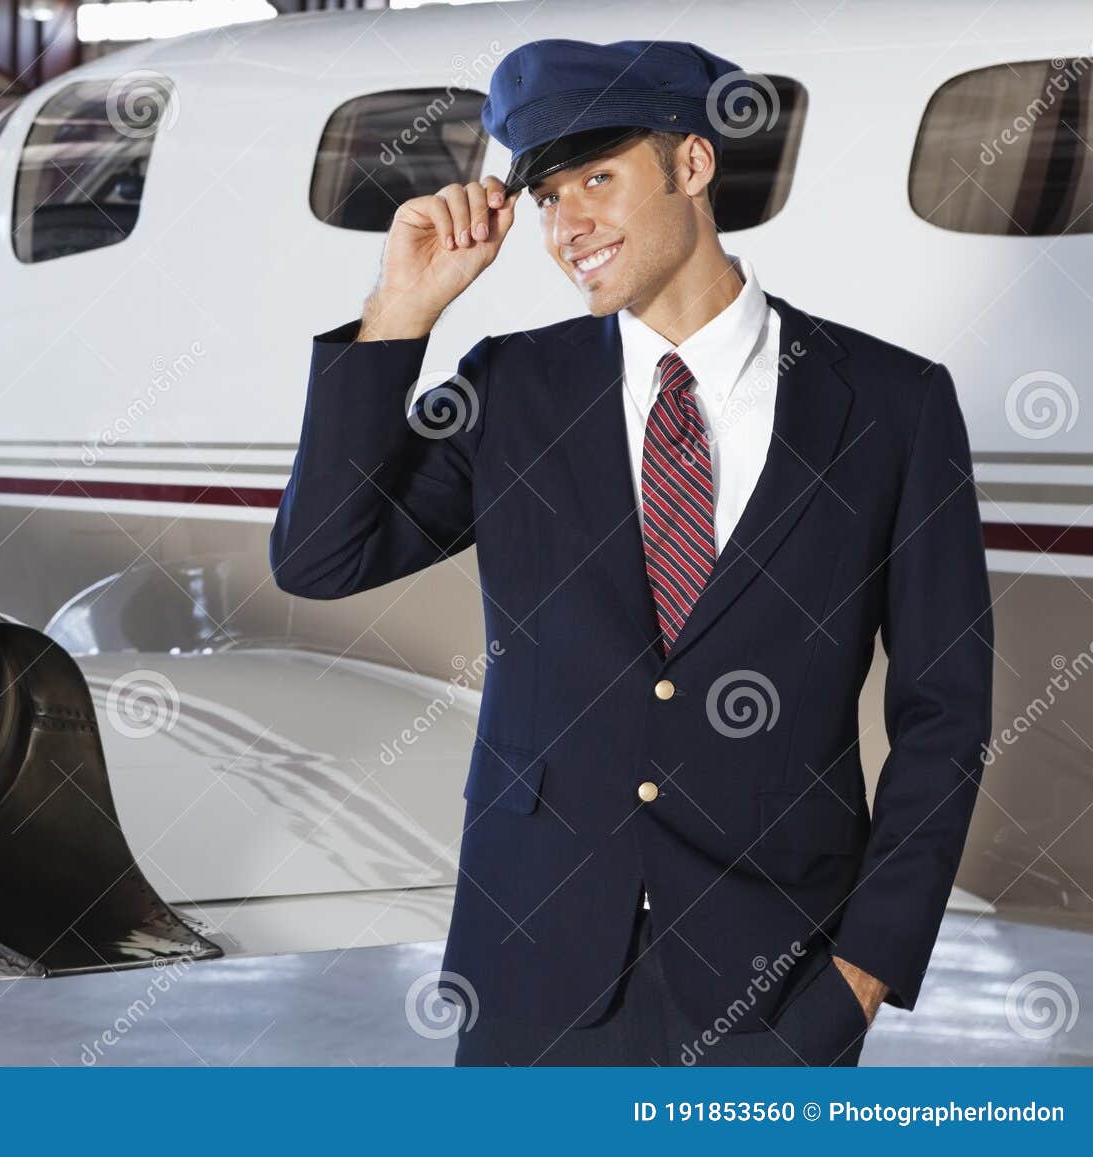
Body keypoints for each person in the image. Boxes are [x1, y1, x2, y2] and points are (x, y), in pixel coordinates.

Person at [268, 38, 994, 1066]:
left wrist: (859, 978)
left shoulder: (891, 404)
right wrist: (402, 311)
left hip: (779, 986)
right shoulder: (510, 388)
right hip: (531, 972)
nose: (569, 227)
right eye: (549, 197)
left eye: (597, 180)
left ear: (692, 166)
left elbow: (944, 712)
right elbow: (321, 557)